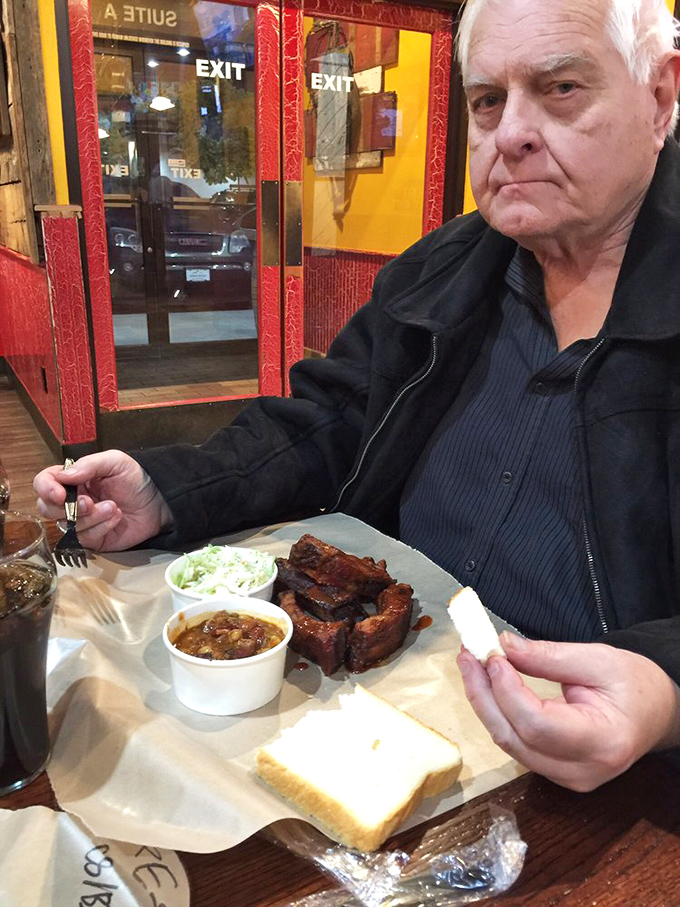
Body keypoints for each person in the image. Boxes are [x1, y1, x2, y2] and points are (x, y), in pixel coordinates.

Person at [35, 0, 680, 793]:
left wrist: (666, 688)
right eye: (487, 99)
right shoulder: (438, 273)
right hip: (371, 708)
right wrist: (169, 490)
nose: (510, 132)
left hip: (608, 788)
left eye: (561, 88)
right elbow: (327, 418)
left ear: (660, 96)